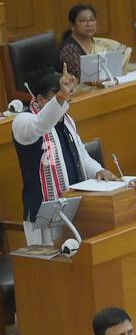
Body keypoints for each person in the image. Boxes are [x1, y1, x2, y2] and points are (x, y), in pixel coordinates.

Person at [12, 69, 116, 246]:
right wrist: (61, 97)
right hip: (44, 215)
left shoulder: (67, 121)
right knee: (52, 271)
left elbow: (81, 155)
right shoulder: (22, 122)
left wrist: (99, 170)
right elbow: (40, 125)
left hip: (75, 206)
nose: (67, 100)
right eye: (59, 96)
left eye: (68, 96)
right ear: (39, 99)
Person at [58, 3, 131, 80]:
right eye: (83, 21)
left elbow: (122, 59)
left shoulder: (102, 43)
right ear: (72, 25)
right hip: (81, 90)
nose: (89, 24)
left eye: (92, 20)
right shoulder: (68, 49)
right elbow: (85, 77)